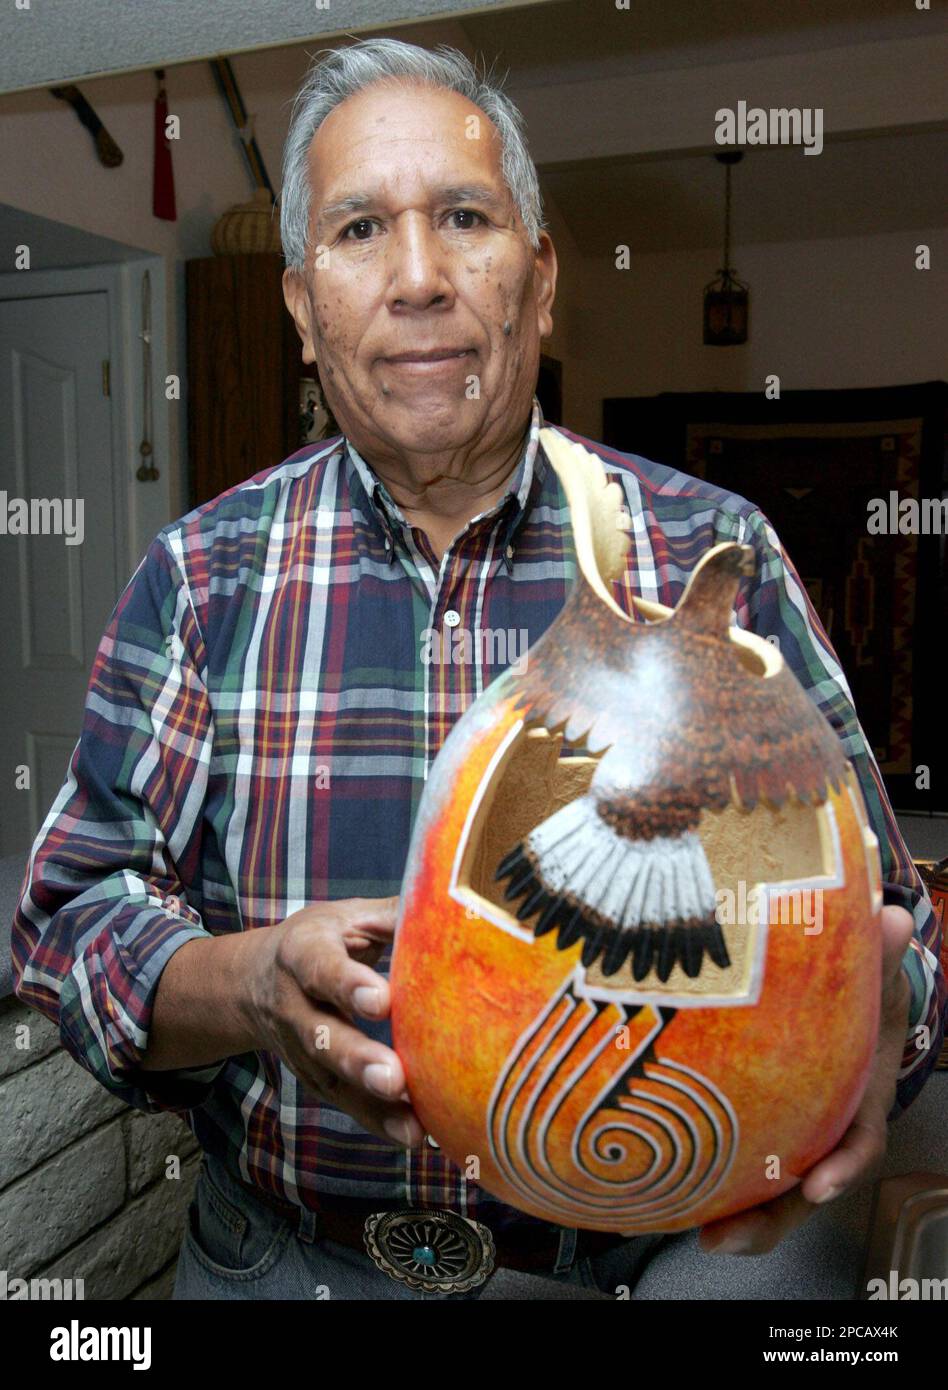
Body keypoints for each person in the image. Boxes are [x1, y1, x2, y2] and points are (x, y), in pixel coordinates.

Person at [11, 37, 945, 1301]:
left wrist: (872, 1043)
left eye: (464, 217)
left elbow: (900, 925)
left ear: (541, 277)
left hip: (648, 1272)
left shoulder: (713, 558)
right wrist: (253, 984)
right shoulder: (202, 578)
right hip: (289, 1265)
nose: (418, 278)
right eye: (357, 231)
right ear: (301, 307)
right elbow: (70, 922)